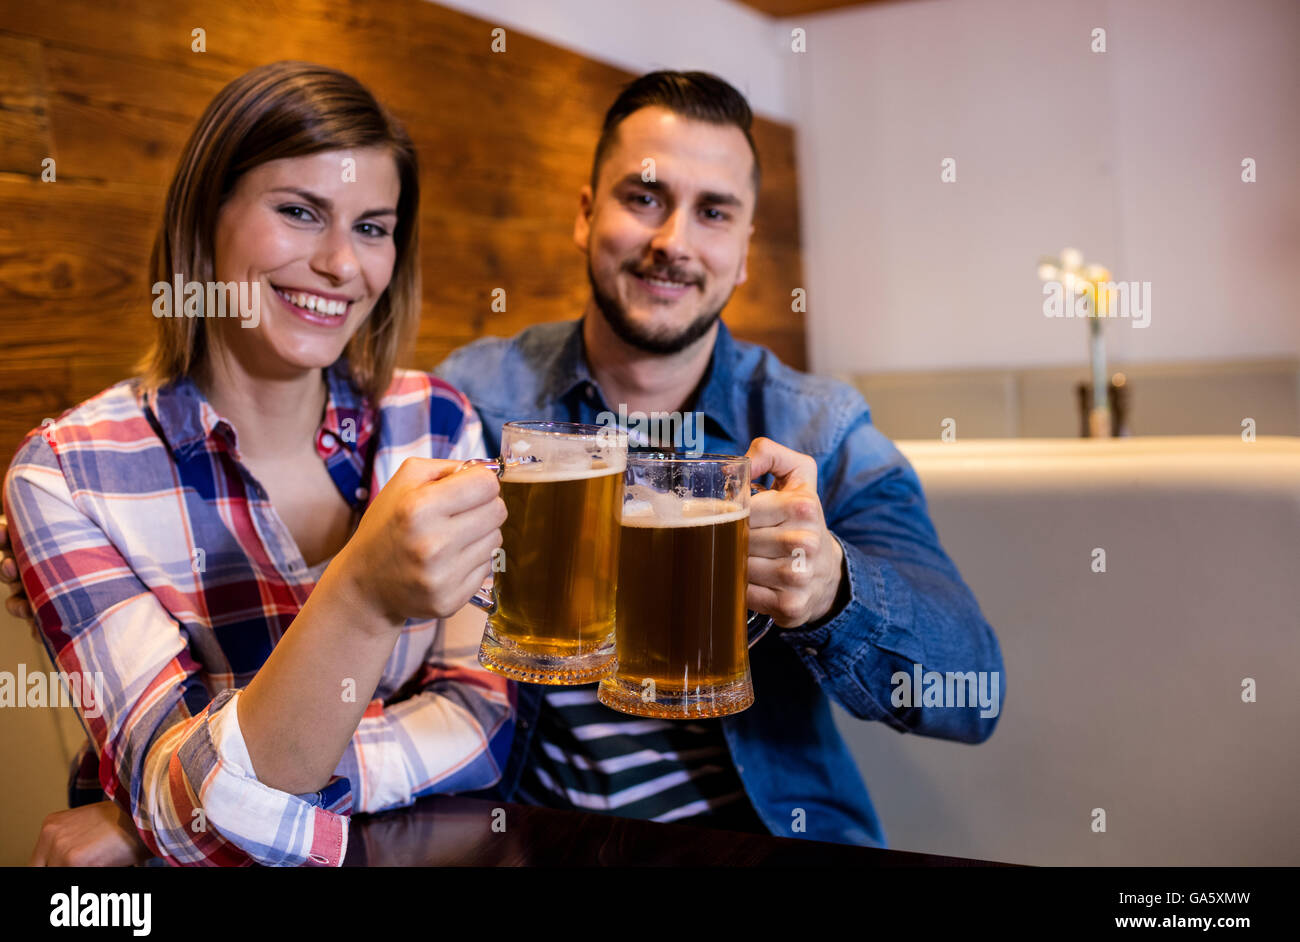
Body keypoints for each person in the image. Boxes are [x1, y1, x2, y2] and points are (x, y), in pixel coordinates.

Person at [430, 71, 1006, 846]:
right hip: (535, 836)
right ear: (584, 214)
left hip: (761, 840)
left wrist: (836, 591)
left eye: (713, 213)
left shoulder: (817, 427)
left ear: (742, 253)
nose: (673, 242)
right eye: (643, 198)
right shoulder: (476, 394)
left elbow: (973, 694)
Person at [0, 61, 510, 866]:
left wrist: (211, 794)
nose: (343, 264)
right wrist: (362, 596)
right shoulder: (66, 474)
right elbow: (179, 804)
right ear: (207, 218)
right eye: (301, 212)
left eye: (373, 227)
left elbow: (482, 714)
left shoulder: (435, 420)